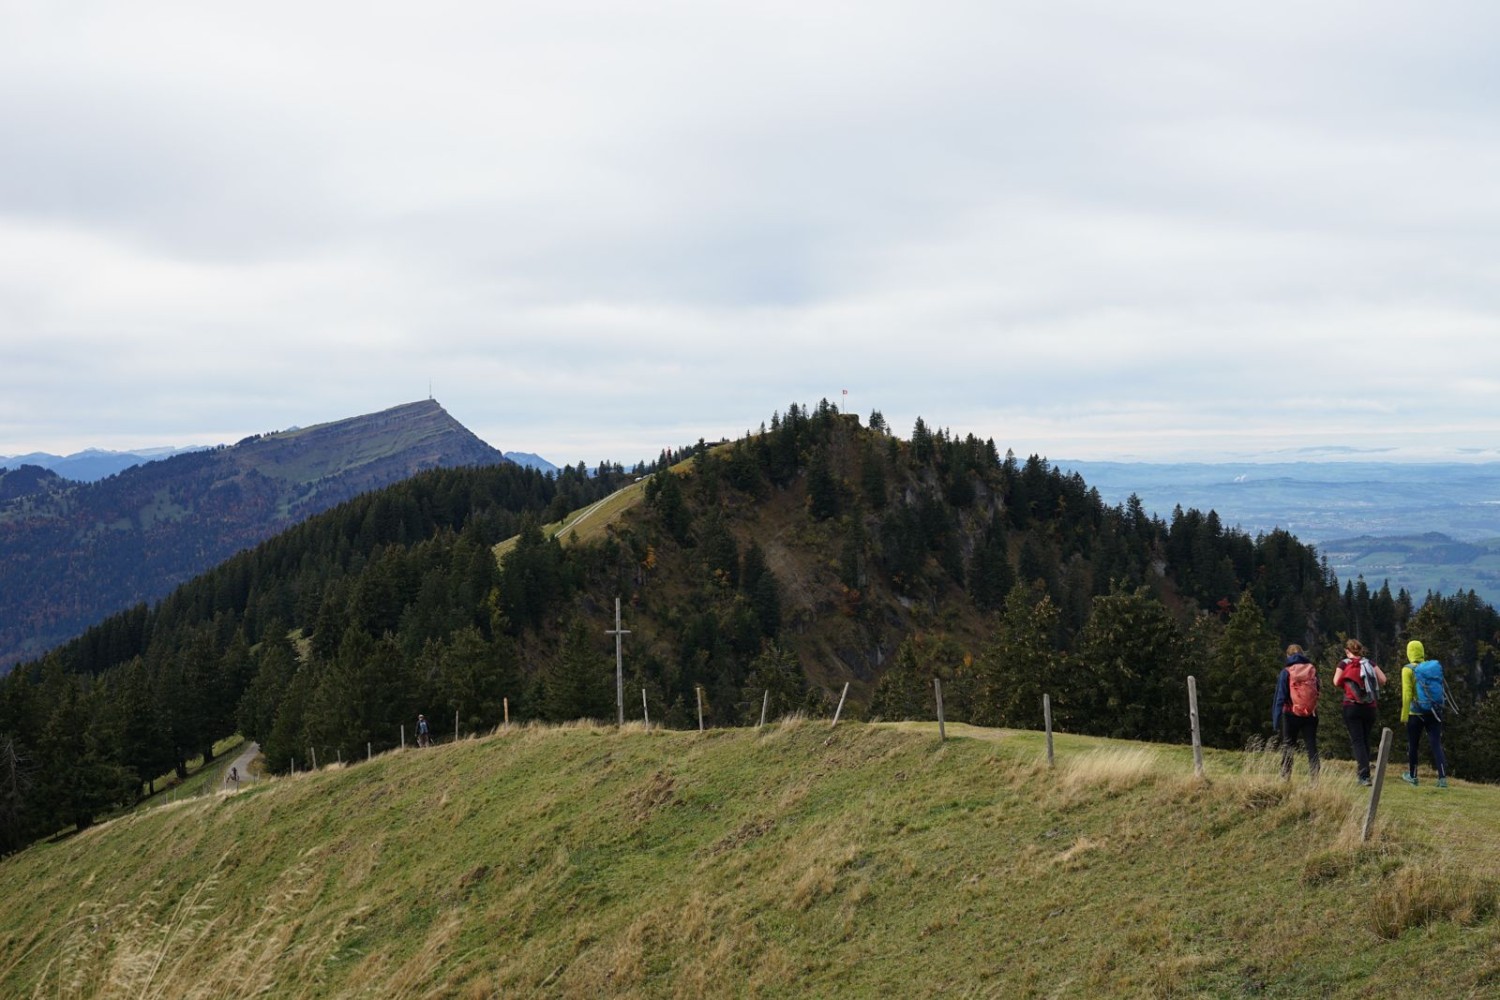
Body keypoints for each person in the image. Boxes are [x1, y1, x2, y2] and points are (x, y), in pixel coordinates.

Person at [1333, 639, 1387, 786]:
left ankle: (1364, 775)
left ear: (1347, 650)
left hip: (1351, 706)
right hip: (1370, 707)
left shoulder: (1344, 663)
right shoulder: (1369, 663)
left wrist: (1349, 684)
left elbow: (1336, 681)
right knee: (1365, 739)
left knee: (1357, 741)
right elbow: (1383, 679)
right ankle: (1364, 772)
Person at [1401, 639, 1449, 788]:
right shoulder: (1431, 668)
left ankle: (1413, 776)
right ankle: (1442, 779)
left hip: (1415, 713)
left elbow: (1407, 694)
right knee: (1436, 744)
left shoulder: (1407, 669)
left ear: (1409, 652)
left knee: (1414, 745)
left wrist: (1404, 715)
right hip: (1434, 711)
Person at [1271, 644, 1321, 782]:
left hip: (1290, 713)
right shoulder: (1312, 670)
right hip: (1310, 714)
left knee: (1288, 745)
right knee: (1311, 746)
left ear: (1288, 656)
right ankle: (1315, 778)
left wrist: (1276, 721)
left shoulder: (1286, 672)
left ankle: (1285, 776)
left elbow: (1280, 697)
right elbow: (1318, 690)